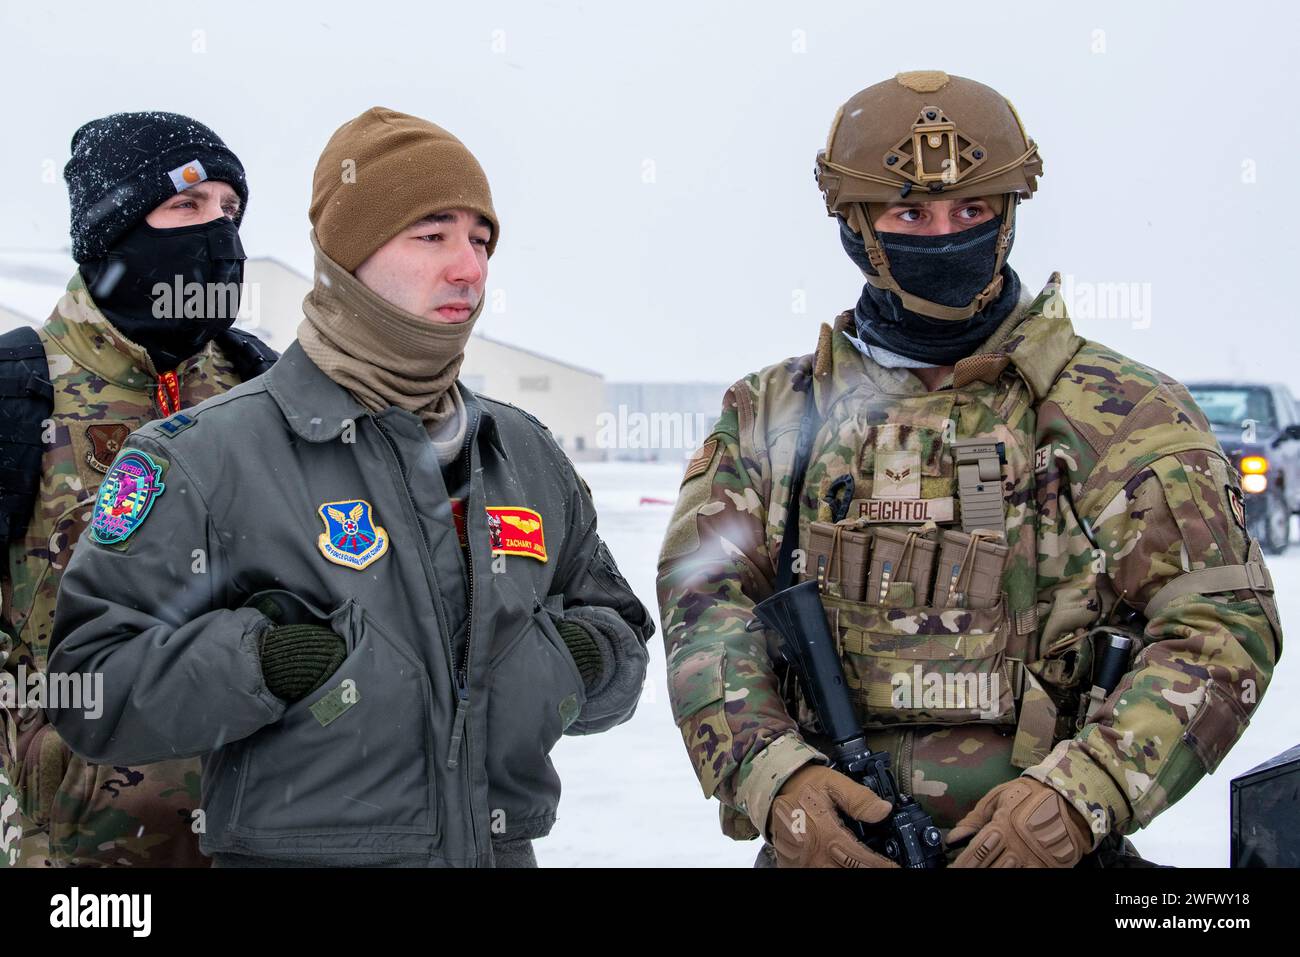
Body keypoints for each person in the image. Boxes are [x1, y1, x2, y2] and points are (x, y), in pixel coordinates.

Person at [657, 71, 1282, 868]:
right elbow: (702, 603)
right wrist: (775, 778)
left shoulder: (1124, 412)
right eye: (911, 212)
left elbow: (1222, 626)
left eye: (972, 211)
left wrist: (1083, 792)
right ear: (857, 225)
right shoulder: (774, 416)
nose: (945, 234)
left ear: (1010, 214)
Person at [44, 107, 653, 868]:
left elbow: (621, 632)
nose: (468, 266)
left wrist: (569, 660)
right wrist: (261, 665)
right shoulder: (206, 455)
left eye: (481, 240)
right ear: (349, 257)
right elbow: (88, 684)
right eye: (432, 236)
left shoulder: (522, 453)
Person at [0, 111, 276, 867]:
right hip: (75, 857)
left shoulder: (262, 388)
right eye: (187, 206)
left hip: (258, 836)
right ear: (112, 231)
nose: (218, 233)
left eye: (230, 209)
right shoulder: (19, 395)